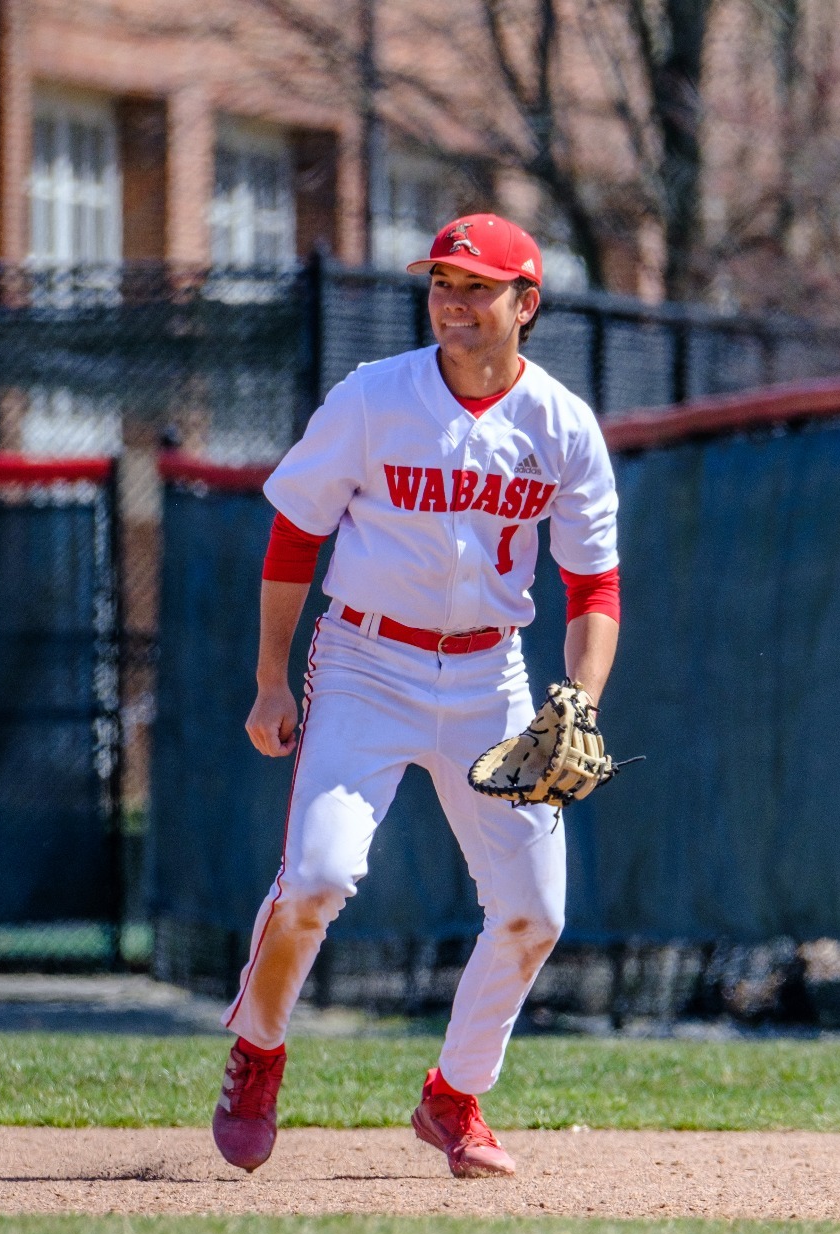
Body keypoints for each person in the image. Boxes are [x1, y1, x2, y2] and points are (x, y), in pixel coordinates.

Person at [211, 213, 622, 1178]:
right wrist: (272, 677)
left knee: (534, 912)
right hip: (365, 661)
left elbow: (595, 583)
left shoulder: (561, 425)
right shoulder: (373, 398)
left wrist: (581, 701)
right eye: (442, 282)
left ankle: (453, 1096)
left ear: (527, 303)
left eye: (477, 286)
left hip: (493, 673)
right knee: (315, 877)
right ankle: (258, 1050)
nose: (454, 300)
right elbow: (295, 537)